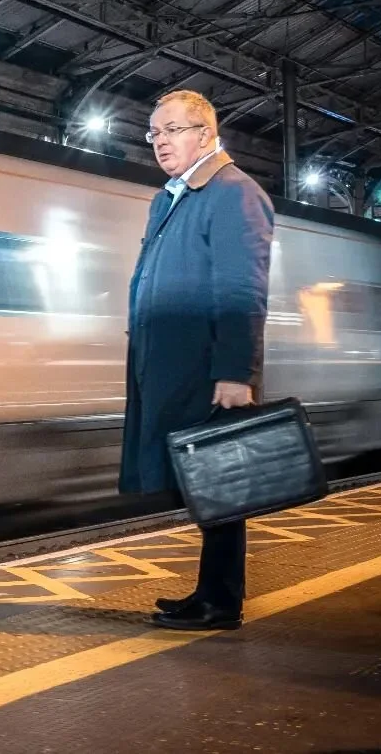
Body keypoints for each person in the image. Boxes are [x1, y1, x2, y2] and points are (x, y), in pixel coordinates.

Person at [119, 89, 274, 631]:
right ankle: (209, 592)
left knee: (218, 485)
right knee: (206, 484)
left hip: (207, 371)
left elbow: (241, 289)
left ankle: (220, 601)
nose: (160, 141)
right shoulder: (174, 197)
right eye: (154, 132)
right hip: (175, 364)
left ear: (205, 133)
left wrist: (236, 372)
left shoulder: (233, 194)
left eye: (173, 130)